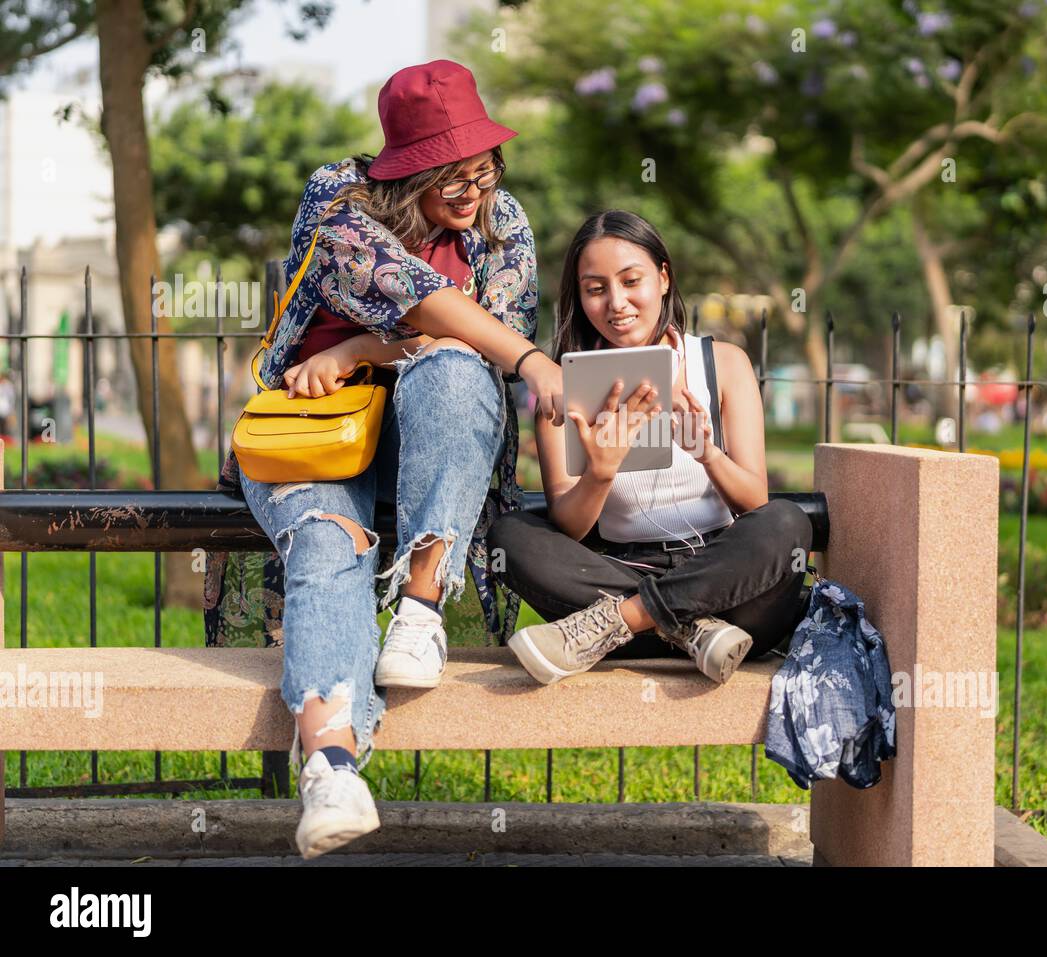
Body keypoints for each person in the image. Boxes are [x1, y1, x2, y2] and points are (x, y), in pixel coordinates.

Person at [203, 60, 563, 859]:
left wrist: (367, 344)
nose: (472, 192)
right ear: (408, 170)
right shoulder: (339, 196)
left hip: (434, 444)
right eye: (451, 176)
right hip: (316, 431)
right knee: (328, 540)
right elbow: (418, 294)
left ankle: (422, 610)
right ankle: (330, 766)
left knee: (455, 367)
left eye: (482, 169)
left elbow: (471, 340)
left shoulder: (504, 221)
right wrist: (531, 360)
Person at [488, 210, 812, 686]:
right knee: (511, 536)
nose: (616, 303)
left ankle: (629, 619)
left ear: (663, 278)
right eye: (595, 289)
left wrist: (708, 454)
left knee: (788, 522)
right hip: (620, 570)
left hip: (727, 582)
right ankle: (688, 629)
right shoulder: (563, 389)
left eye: (630, 281)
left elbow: (755, 503)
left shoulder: (723, 365)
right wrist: (600, 471)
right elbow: (570, 530)